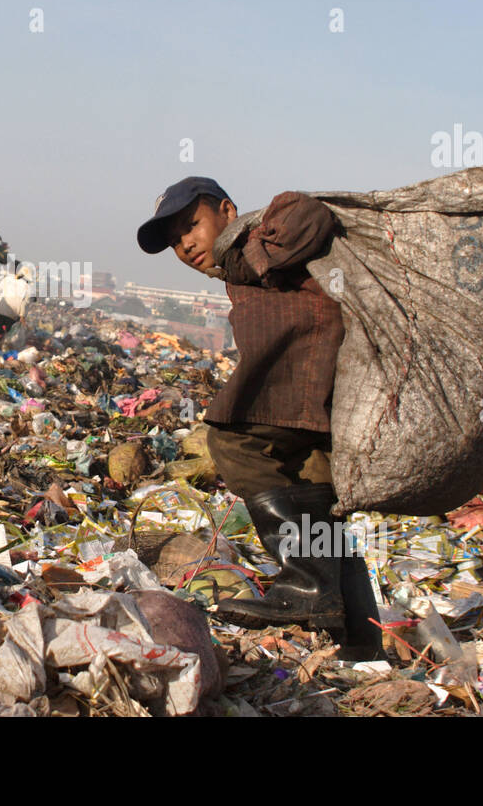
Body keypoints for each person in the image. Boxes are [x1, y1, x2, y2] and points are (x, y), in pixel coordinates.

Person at [137, 176, 381, 659]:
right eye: (175, 242)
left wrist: (256, 256)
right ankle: (362, 648)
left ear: (226, 210)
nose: (185, 244)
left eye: (192, 225)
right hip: (321, 398)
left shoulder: (259, 234)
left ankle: (307, 585)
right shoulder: (235, 266)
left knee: (232, 440)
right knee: (320, 511)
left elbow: (311, 211)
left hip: (306, 378)